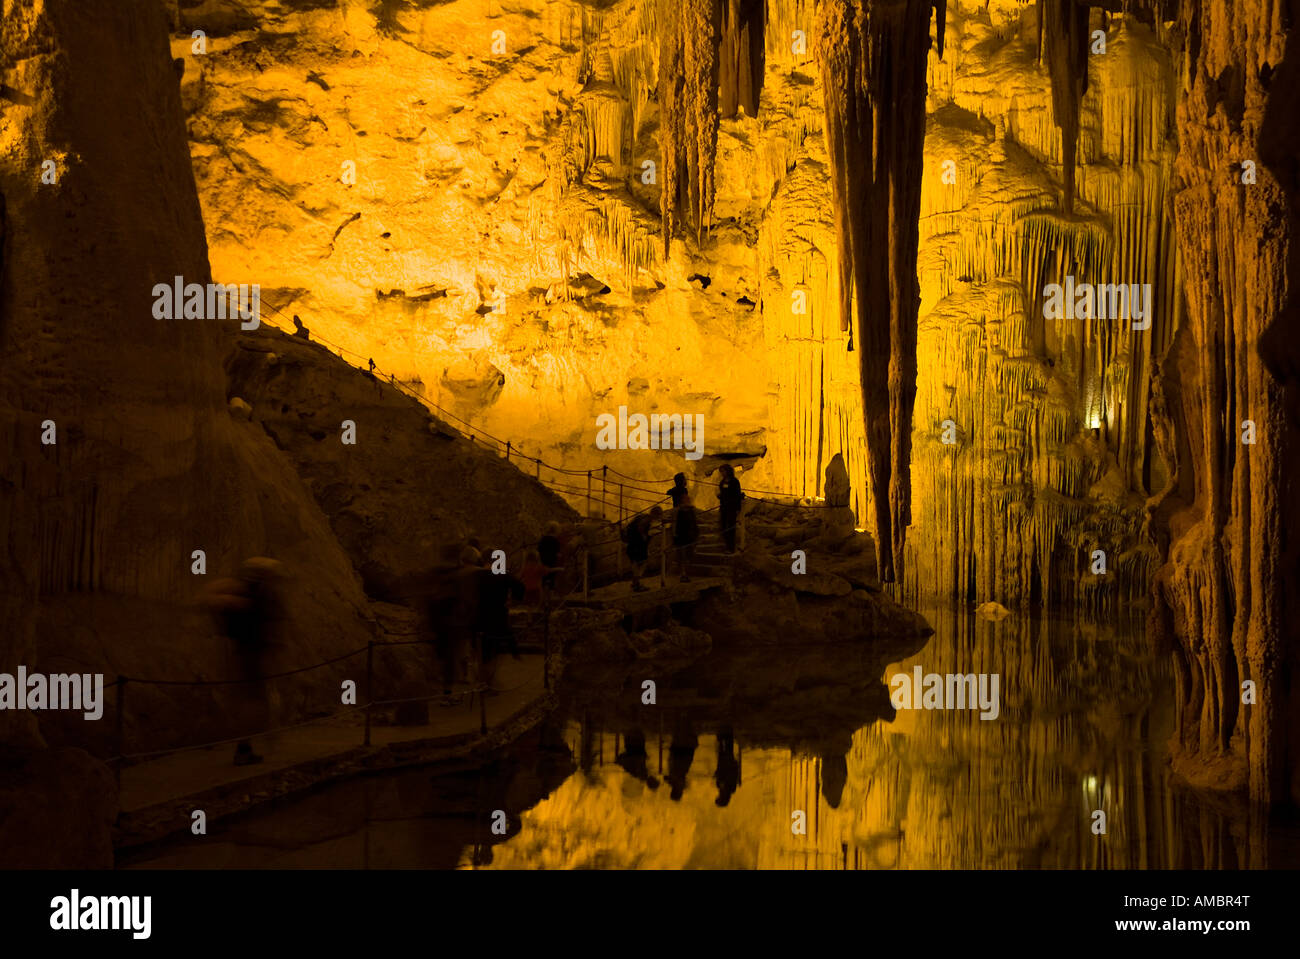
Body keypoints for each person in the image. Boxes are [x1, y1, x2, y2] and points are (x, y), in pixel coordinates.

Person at [204, 558, 284, 766]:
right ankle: (246, 746)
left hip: (240, 653)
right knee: (253, 702)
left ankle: (244, 746)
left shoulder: (238, 595)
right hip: (251, 655)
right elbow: (267, 627)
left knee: (246, 701)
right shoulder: (258, 596)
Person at [471, 553, 525, 688]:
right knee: (494, 649)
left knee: (481, 649)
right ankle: (489, 680)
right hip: (497, 616)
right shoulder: (502, 575)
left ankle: (484, 680)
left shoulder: (476, 576)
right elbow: (520, 587)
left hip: (479, 616)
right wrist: (513, 600)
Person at [666, 473, 698, 582]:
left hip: (684, 535)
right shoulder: (683, 492)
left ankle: (684, 573)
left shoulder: (676, 490)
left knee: (685, 554)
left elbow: (669, 492)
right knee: (683, 554)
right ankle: (683, 574)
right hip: (683, 535)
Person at [623, 506, 661, 592]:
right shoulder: (647, 519)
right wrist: (644, 536)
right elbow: (641, 527)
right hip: (639, 545)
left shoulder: (641, 516)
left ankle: (635, 582)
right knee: (643, 562)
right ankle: (637, 583)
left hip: (632, 544)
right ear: (655, 514)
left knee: (635, 563)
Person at [717, 464, 745, 554]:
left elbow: (736, 495)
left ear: (728, 471)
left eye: (723, 471)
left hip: (731, 508)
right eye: (721, 471)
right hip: (724, 507)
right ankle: (726, 546)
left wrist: (738, 508)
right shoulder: (722, 482)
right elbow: (723, 493)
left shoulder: (734, 482)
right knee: (723, 527)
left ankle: (731, 548)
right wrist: (720, 496)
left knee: (731, 528)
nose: (722, 473)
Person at [538, 522, 562, 593]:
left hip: (542, 561)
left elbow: (539, 550)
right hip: (552, 563)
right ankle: (549, 598)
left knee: (543, 581)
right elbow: (557, 554)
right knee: (551, 582)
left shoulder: (543, 539)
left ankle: (542, 598)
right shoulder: (555, 541)